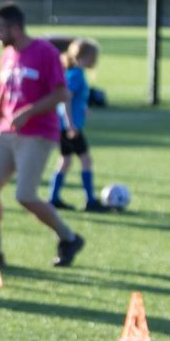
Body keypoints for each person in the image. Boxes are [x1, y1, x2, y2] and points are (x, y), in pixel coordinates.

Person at [0, 2, 84, 268]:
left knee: (25, 195)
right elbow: (2, 95)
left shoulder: (45, 52)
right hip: (5, 131)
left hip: (38, 133)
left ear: (16, 28)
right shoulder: (7, 55)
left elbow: (62, 93)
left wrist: (29, 112)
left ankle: (69, 237)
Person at [48, 39, 108, 212]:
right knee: (86, 160)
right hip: (68, 127)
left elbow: (74, 99)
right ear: (86, 57)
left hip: (63, 126)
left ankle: (53, 199)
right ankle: (90, 200)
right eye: (94, 57)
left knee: (65, 160)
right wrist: (70, 124)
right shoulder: (75, 75)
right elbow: (65, 99)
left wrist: (83, 108)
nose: (95, 61)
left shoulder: (75, 73)